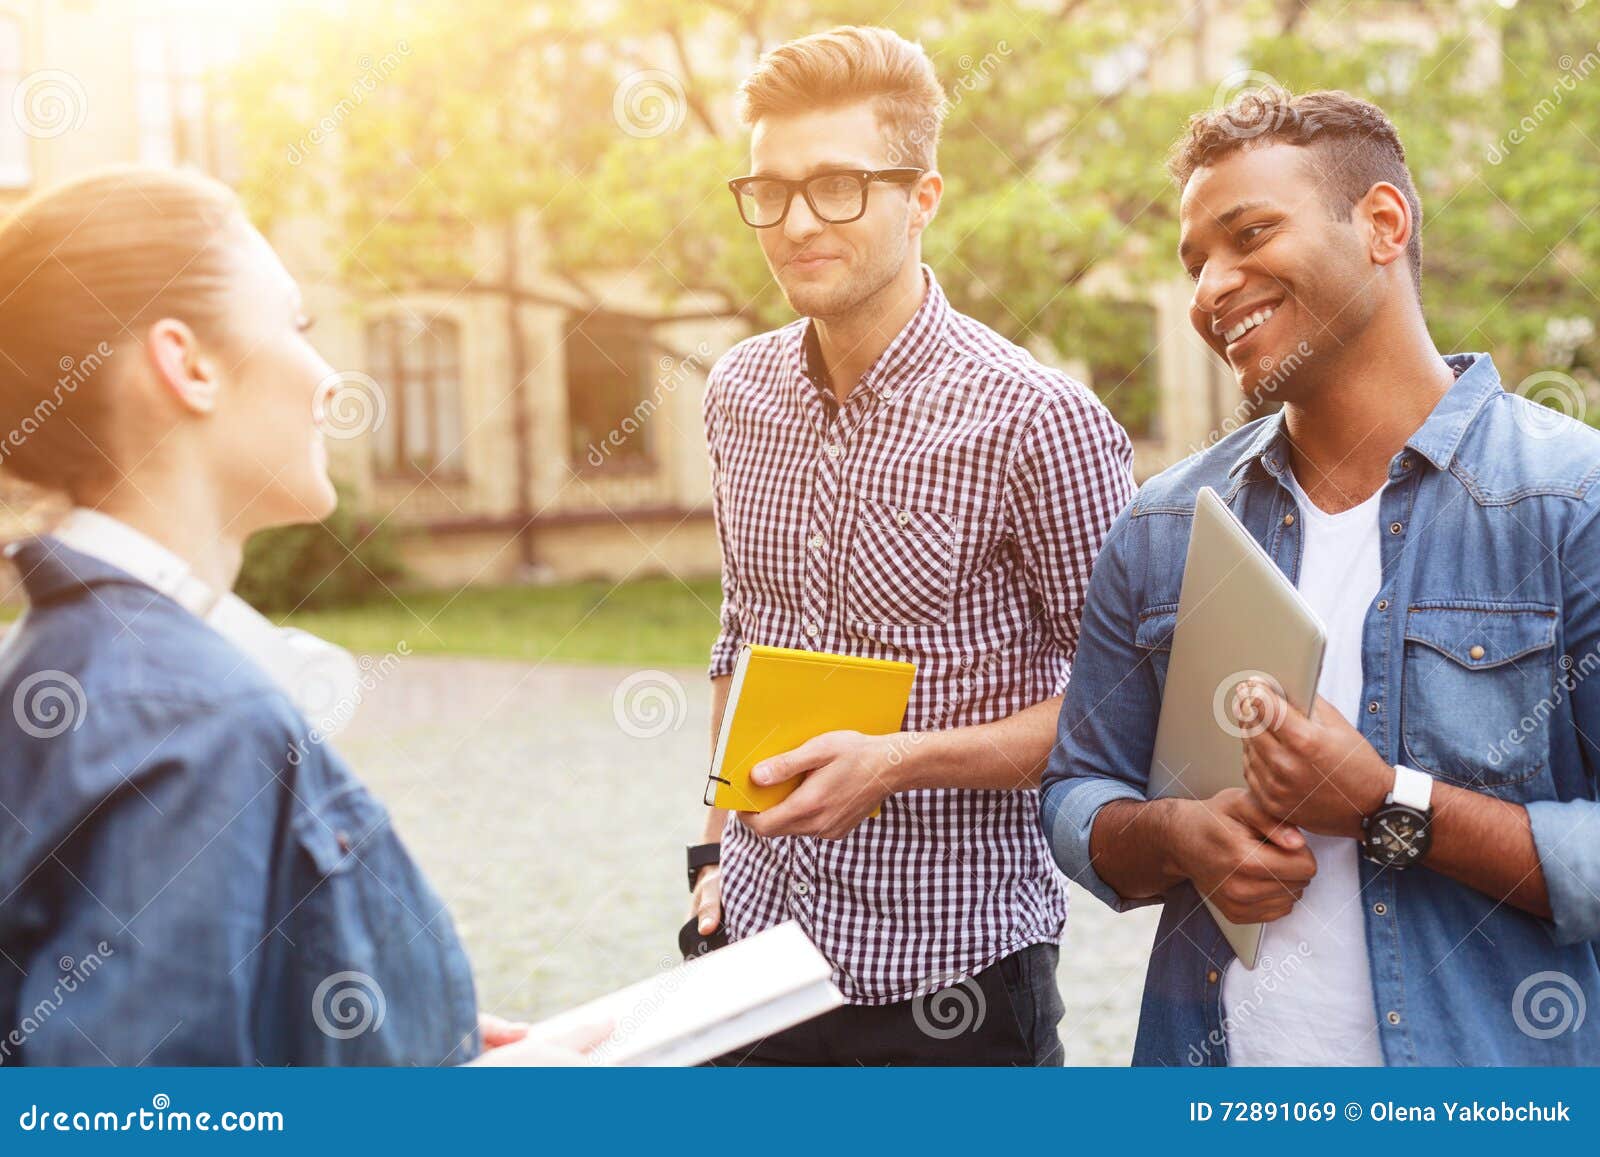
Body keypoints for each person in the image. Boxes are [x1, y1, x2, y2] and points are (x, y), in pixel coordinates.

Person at [1042, 88, 1600, 1065]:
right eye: (1193, 262)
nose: (1213, 286)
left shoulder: (1567, 503)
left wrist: (1391, 806)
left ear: (1381, 223)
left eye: (1248, 232)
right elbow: (1077, 790)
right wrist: (1175, 835)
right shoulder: (1164, 522)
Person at [0, 168, 592, 1066]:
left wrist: (392, 1030)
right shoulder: (199, 723)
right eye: (297, 325)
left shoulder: (59, 663)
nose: (328, 378)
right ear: (187, 364)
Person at [691, 26, 1135, 1066]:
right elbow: (739, 631)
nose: (797, 220)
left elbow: (1127, 698)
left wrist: (894, 763)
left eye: (838, 185)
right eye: (769, 189)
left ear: (922, 196)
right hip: (750, 955)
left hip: (949, 986)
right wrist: (707, 856)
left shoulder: (1037, 420)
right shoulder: (736, 395)